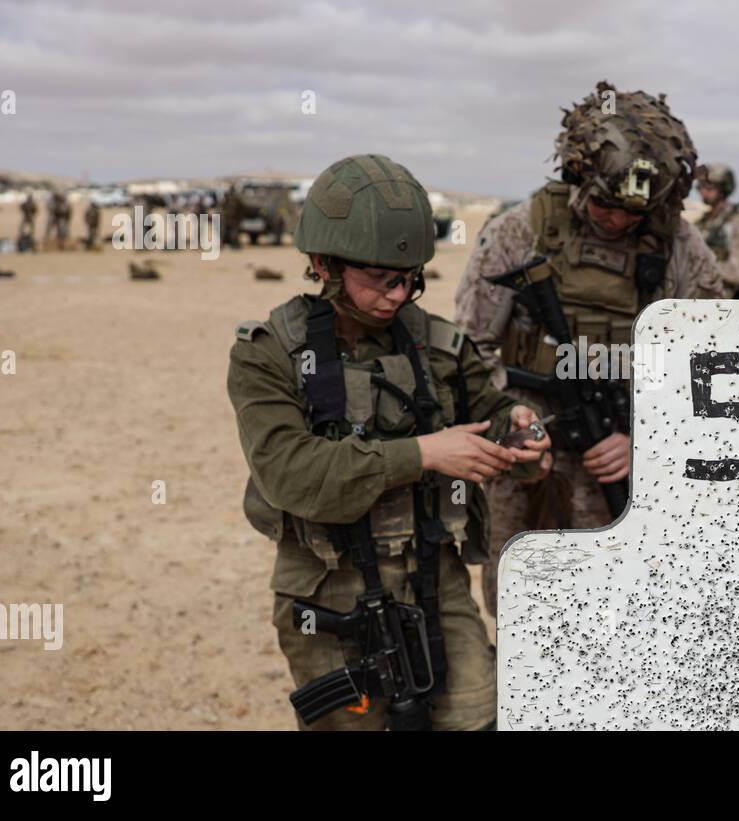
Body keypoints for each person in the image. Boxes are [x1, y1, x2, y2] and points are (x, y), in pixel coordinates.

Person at [227, 154, 550, 731]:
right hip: (329, 591)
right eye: (381, 279)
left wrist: (523, 436)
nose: (399, 296)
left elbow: (494, 416)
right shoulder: (268, 351)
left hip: (435, 580)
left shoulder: (441, 345)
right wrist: (424, 454)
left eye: (410, 280)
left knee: (484, 717)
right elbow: (290, 472)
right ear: (324, 264)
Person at [455, 81, 724, 615]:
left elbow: (711, 366)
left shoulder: (680, 246)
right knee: (524, 617)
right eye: (605, 203)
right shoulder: (522, 230)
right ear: (578, 174)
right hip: (532, 470)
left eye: (634, 212)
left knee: (632, 620)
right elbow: (469, 349)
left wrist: (646, 439)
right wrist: (515, 420)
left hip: (631, 473)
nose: (617, 220)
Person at [693, 162, 739, 294]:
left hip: (722, 299)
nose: (703, 192)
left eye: (709, 187)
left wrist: (699, 266)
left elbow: (735, 272)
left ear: (723, 189)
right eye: (701, 187)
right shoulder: (700, 224)